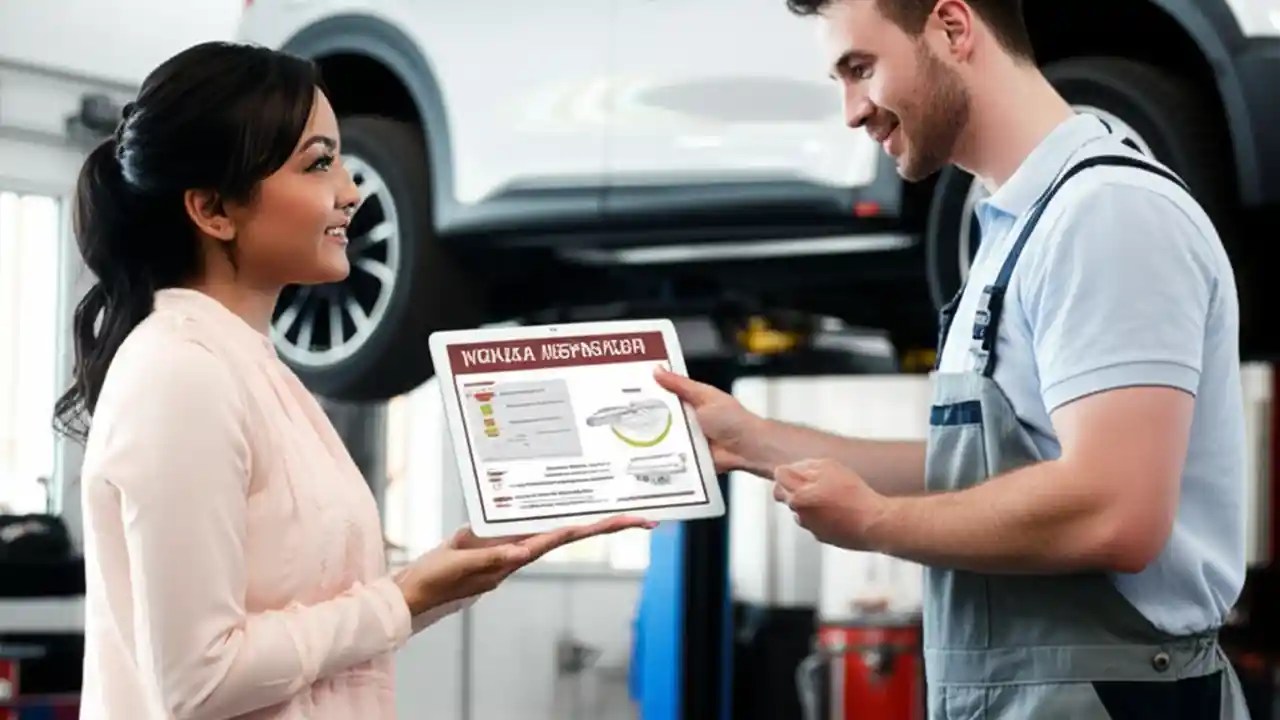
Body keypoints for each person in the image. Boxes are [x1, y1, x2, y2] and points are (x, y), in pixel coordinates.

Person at [657, 0, 1251, 716]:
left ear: (951, 27)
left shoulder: (1108, 212)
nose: (852, 111)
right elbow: (982, 473)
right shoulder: (1014, 230)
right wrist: (758, 442)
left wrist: (873, 521)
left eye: (860, 68)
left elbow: (1113, 514)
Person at [53, 41, 652, 719]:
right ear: (213, 210)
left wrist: (445, 578)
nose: (352, 190)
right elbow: (200, 681)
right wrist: (405, 597)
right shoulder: (181, 372)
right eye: (318, 164)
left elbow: (303, 627)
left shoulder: (246, 364)